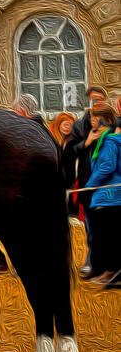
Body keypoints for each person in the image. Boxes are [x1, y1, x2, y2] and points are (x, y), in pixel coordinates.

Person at [64, 86, 108, 275]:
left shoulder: (114, 122)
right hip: (88, 181)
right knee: (91, 226)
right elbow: (70, 152)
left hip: (110, 182)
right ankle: (93, 262)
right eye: (92, 100)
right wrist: (87, 142)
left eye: (99, 99)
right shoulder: (81, 125)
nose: (95, 103)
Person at [82, 103, 121, 287]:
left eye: (96, 119)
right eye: (92, 119)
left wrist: (90, 185)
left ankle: (112, 271)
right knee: (107, 235)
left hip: (109, 196)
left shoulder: (110, 141)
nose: (93, 123)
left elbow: (106, 166)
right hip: (109, 195)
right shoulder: (108, 139)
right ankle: (106, 270)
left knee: (107, 236)